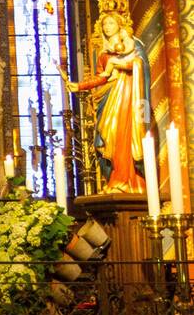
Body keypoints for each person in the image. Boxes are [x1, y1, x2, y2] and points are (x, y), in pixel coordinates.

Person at [64, 12, 150, 193]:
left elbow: (140, 64)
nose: (107, 27)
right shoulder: (103, 54)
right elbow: (100, 78)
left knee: (125, 135)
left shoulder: (133, 44)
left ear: (119, 25)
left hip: (129, 94)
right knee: (110, 135)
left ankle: (131, 181)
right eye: (104, 25)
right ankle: (116, 179)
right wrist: (79, 86)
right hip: (110, 98)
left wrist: (120, 65)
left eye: (111, 23)